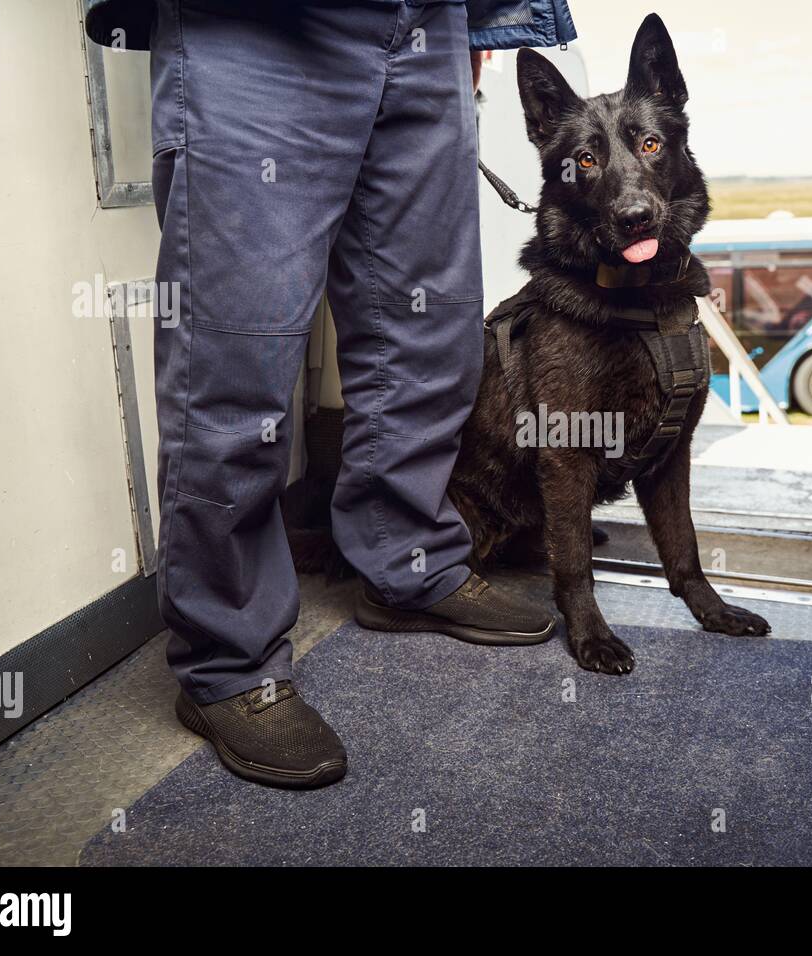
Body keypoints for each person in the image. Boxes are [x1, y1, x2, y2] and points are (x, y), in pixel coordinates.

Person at [83, 0, 577, 789]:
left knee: (429, 336)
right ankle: (229, 664)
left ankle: (410, 566)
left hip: (428, 24)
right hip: (255, 28)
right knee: (233, 364)